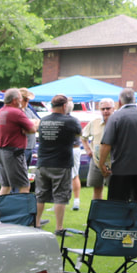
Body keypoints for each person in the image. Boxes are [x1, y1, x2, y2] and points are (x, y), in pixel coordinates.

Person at [34, 95, 82, 232]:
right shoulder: (71, 121)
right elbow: (79, 134)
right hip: (61, 163)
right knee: (60, 196)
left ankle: (36, 224)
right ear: (64, 106)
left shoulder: (43, 120)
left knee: (40, 195)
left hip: (43, 162)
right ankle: (59, 228)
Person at [99, 88, 137, 202]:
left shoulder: (115, 117)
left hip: (121, 168)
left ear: (120, 101)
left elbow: (106, 144)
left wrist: (102, 164)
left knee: (117, 203)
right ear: (134, 100)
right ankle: (135, 220)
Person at [0, 88, 38, 195]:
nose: (22, 101)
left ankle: (0, 210)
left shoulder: (0, 111)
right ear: (14, 100)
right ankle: (21, 211)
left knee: (6, 186)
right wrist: (36, 123)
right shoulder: (16, 113)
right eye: (20, 99)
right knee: (24, 186)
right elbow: (32, 130)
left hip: (1, 152)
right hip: (13, 153)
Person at [82, 99, 114, 201]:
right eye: (103, 109)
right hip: (96, 162)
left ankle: (112, 212)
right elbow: (83, 137)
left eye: (108, 108)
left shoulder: (118, 122)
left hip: (113, 162)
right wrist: (88, 150)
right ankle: (97, 212)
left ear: (113, 109)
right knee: (97, 188)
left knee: (114, 189)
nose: (105, 111)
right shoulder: (94, 123)